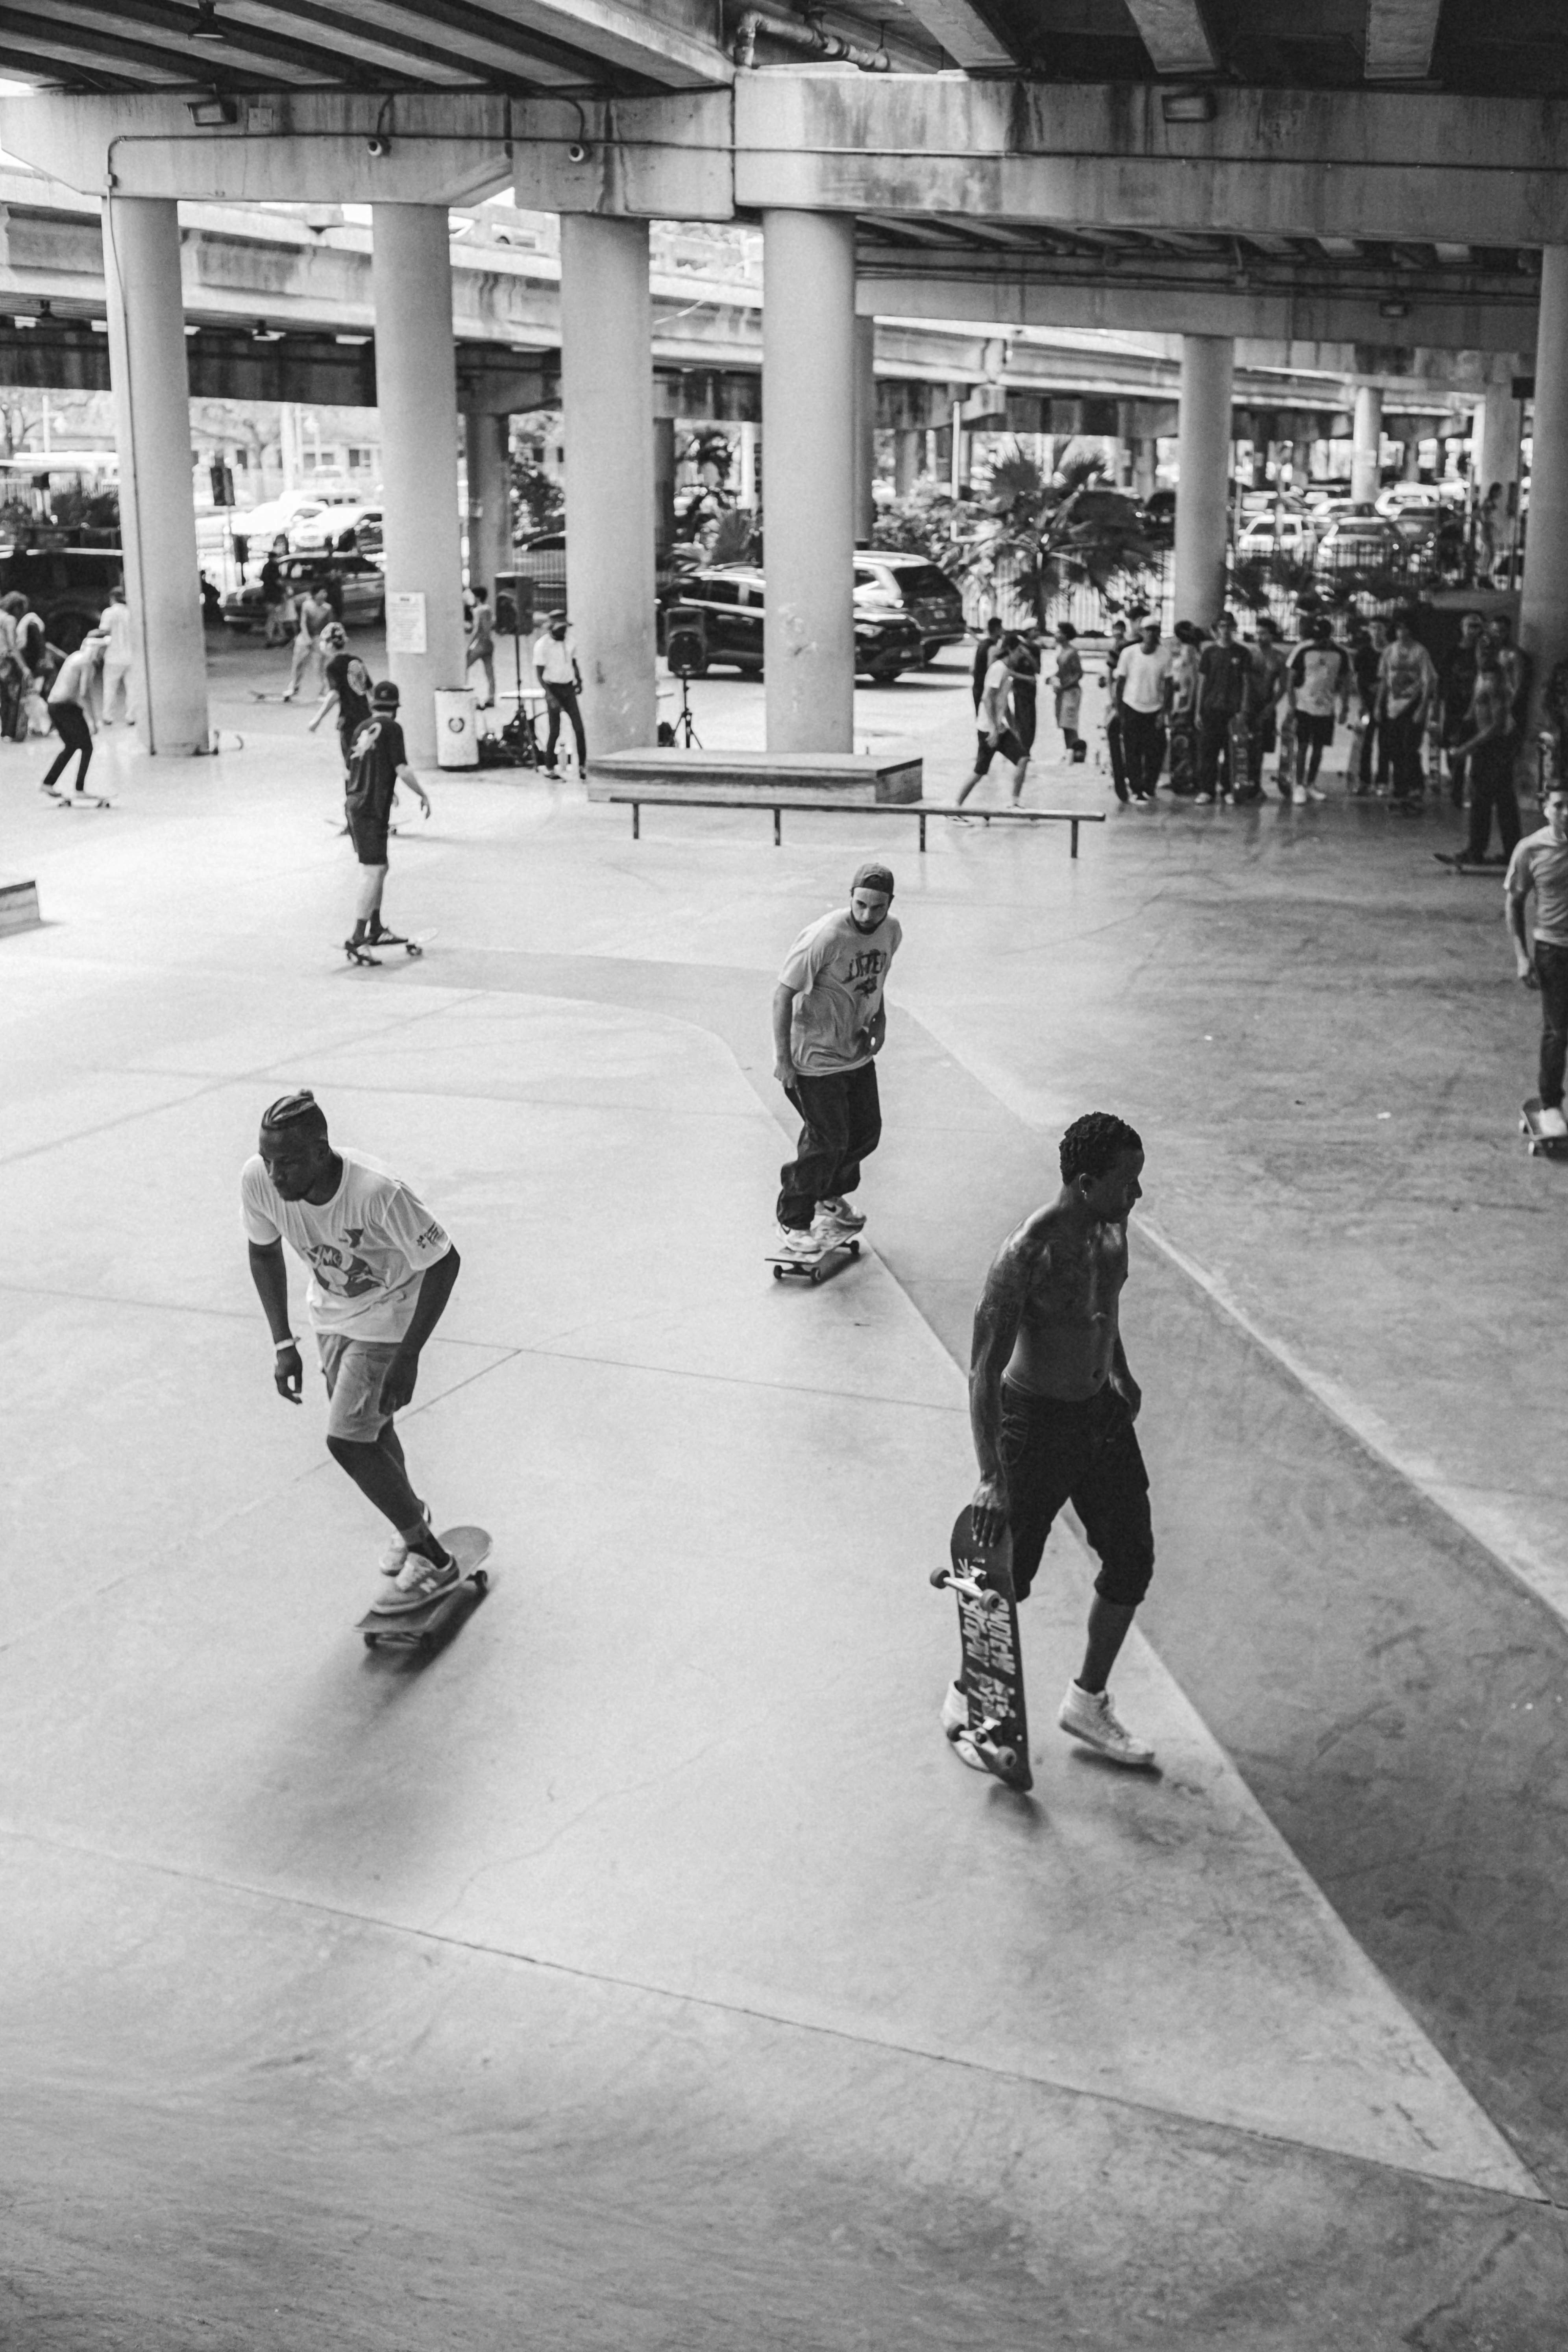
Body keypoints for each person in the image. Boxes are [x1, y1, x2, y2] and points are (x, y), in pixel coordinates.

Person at [949, 1111, 1156, 1771]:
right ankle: (970, 1701)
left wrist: (1118, 1373)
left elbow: (1103, 1308)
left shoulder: (1112, 1229)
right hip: (1033, 1427)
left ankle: (1086, 1704)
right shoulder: (1027, 1253)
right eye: (1127, 1182)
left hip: (1098, 1417)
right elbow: (983, 1369)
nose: (1137, 1194)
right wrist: (990, 1476)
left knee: (1131, 1560)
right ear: (1086, 1182)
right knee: (1006, 1582)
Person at [242, 1089, 467, 1610]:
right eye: (270, 1162)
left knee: (346, 1439)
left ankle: (431, 1556)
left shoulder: (378, 1192)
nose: (276, 1178)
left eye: (290, 1164)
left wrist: (409, 1355)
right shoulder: (259, 1178)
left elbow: (444, 1262)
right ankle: (412, 1516)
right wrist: (283, 1342)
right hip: (332, 1313)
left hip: (393, 1313)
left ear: (322, 1151)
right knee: (373, 1429)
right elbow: (263, 1253)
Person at [771, 863, 900, 1263]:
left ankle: (829, 1195)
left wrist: (878, 1018)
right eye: (860, 905)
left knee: (866, 1132)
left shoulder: (891, 931)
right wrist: (784, 1060)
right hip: (813, 1059)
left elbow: (876, 982)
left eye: (876, 908)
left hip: (855, 1051)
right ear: (850, 897)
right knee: (827, 1140)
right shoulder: (824, 938)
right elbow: (782, 996)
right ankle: (793, 1217)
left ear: (889, 905)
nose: (867, 916)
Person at [342, 680, 432, 958]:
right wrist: (423, 794)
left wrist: (383, 788)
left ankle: (376, 928)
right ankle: (358, 938)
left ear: (374, 705)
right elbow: (402, 769)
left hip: (359, 804)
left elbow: (353, 768)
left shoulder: (360, 728)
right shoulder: (393, 729)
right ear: (396, 707)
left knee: (381, 867)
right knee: (372, 871)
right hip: (370, 808)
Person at [1505, 784, 1568, 1139]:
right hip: (1554, 952)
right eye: (1560, 806)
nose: (1567, 813)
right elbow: (1514, 904)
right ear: (1546, 808)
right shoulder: (1531, 849)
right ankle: (1550, 1105)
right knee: (1558, 1030)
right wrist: (1522, 957)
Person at [1439, 642, 1519, 868]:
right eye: (1480, 651)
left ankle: (1476, 852)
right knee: (1503, 800)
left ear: (1496, 655)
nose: (1483, 656)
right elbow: (1475, 707)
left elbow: (1497, 726)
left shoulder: (1496, 682)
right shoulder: (1482, 676)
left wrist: (1467, 748)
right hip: (1490, 744)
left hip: (1497, 745)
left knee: (1483, 799)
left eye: (1488, 652)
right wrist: (1462, 729)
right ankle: (1511, 851)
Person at [954, 631, 1028, 814]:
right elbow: (988, 699)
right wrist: (994, 730)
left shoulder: (1007, 671)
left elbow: (1003, 703)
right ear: (1011, 651)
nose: (1022, 655)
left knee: (1023, 759)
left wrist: (1013, 727)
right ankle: (955, 808)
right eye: (1020, 651)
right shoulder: (998, 669)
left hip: (999, 729)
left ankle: (1015, 802)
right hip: (988, 729)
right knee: (980, 771)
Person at [1377, 610, 1438, 810]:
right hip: (1393, 706)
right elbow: (1384, 681)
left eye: (1405, 628)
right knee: (1394, 747)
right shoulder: (1389, 651)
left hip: (1412, 705)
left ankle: (1416, 785)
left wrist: (1423, 708)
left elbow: (1429, 681)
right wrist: (1379, 706)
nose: (1402, 633)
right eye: (1399, 628)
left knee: (1410, 747)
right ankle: (1400, 786)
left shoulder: (1420, 652)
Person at [1286, 616, 1348, 802]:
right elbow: (1291, 679)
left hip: (1326, 708)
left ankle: (1311, 783)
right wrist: (1292, 706)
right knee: (1303, 746)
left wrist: (1344, 707)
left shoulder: (1340, 654)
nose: (1319, 640)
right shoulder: (1304, 650)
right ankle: (1298, 785)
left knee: (1319, 748)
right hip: (1304, 706)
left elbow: (1345, 681)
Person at [1111, 617, 1170, 803]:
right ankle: (1136, 789)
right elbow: (1120, 683)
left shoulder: (1164, 655)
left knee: (1155, 750)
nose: (1151, 634)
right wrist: (1119, 709)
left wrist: (1164, 713)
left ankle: (1149, 786)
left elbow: (1168, 685)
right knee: (1132, 751)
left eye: (1155, 630)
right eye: (1148, 630)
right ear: (1142, 633)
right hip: (1132, 707)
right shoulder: (1129, 654)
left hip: (1155, 709)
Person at [41, 631, 106, 797]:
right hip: (66, 708)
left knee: (71, 746)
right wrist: (94, 720)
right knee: (87, 747)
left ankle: (48, 783)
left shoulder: (75, 657)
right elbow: (85, 693)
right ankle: (79, 789)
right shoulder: (88, 663)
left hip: (54, 705)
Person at [1193, 610, 1249, 803]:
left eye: (1229, 626)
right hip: (1211, 709)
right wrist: (1198, 711)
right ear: (1216, 630)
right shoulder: (1209, 653)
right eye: (1222, 627)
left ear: (1234, 629)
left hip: (1232, 711)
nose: (1226, 631)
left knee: (1230, 752)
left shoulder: (1242, 653)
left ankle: (1227, 789)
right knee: (1209, 752)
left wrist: (1242, 709)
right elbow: (1202, 683)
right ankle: (1206, 790)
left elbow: (1245, 683)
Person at [1439, 612, 1485, 810]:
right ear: (1462, 627)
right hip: (1455, 706)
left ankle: (1470, 789)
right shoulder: (1453, 653)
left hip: (1477, 707)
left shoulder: (1484, 651)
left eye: (1477, 626)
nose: (1473, 630)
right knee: (1455, 747)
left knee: (1474, 748)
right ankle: (1456, 790)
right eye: (1470, 626)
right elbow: (1443, 680)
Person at [1241, 615, 1288, 801]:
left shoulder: (1278, 658)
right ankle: (1242, 782)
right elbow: (1243, 681)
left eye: (1264, 634)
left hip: (1266, 705)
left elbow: (1283, 686)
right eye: (1258, 633)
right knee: (1245, 746)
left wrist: (1272, 706)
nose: (1259, 637)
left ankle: (1256, 784)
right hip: (1248, 705)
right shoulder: (1249, 655)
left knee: (1260, 748)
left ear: (1272, 635)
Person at [316, 623, 372, 776]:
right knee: (367, 758)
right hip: (366, 717)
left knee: (351, 762)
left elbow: (334, 695)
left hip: (349, 720)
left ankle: (354, 795)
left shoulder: (333, 666)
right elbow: (369, 689)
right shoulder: (356, 661)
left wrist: (317, 719)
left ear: (329, 644)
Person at [536, 611, 585, 778]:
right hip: (553, 688)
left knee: (579, 728)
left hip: (568, 687)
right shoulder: (543, 645)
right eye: (560, 629)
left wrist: (579, 679)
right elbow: (540, 674)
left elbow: (573, 662)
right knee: (555, 730)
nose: (564, 632)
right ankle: (550, 766)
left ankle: (583, 766)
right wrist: (549, 696)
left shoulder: (570, 642)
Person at [1351, 617, 1389, 797]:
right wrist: (1362, 702)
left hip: (1388, 704)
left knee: (1385, 743)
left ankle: (1383, 781)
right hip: (1368, 703)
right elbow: (1357, 679)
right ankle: (1364, 780)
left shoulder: (1391, 651)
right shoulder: (1364, 652)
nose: (1376, 632)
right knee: (1366, 742)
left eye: (1379, 628)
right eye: (1373, 628)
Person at [1165, 621, 1202, 797]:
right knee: (1183, 742)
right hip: (1181, 701)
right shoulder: (1193, 650)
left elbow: (1191, 680)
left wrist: (1186, 705)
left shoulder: (1188, 651)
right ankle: (1182, 778)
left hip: (1183, 703)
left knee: (1182, 743)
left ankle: (1183, 779)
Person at [283, 584, 330, 702]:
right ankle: (294, 687)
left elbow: (328, 626)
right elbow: (303, 623)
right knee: (298, 663)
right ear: (315, 594)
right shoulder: (307, 605)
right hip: (304, 637)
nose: (325, 595)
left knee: (320, 666)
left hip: (319, 638)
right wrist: (307, 638)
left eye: (325, 592)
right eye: (322, 592)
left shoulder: (328, 608)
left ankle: (324, 690)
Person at [1005, 636, 1038, 799]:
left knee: (1030, 724)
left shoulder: (1030, 653)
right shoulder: (1005, 665)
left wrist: (1028, 655)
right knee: (1021, 722)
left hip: (1029, 695)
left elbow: (1037, 669)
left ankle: (1025, 751)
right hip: (1020, 694)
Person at [1101, 619, 1130, 801]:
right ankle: (1119, 774)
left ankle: (1121, 775)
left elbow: (1114, 677)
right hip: (1116, 699)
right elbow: (1110, 676)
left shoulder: (1122, 648)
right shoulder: (1119, 648)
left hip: (1121, 701)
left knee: (1117, 736)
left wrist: (1114, 700)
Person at [99, 582, 134, 728]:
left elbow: (105, 632)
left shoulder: (109, 612)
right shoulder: (130, 612)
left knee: (110, 688)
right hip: (131, 656)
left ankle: (108, 717)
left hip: (113, 657)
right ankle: (132, 717)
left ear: (112, 598)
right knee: (132, 689)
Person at [1051, 622, 1086, 762]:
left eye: (1059, 632)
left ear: (1065, 636)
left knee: (1070, 723)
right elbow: (1063, 671)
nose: (1056, 635)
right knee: (1064, 723)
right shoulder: (1062, 651)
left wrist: (1064, 686)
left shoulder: (1072, 653)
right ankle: (1069, 751)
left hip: (1071, 692)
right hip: (1063, 691)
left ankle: (1075, 751)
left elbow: (1078, 674)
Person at [467, 584, 497, 709]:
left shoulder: (478, 611)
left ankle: (465, 693)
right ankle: (491, 697)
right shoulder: (488, 609)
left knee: (465, 665)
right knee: (489, 672)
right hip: (489, 642)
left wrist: (469, 646)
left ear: (477, 597)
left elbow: (477, 630)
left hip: (481, 643)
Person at [970, 617, 1002, 715]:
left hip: (977, 687)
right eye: (1001, 628)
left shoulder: (981, 645)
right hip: (986, 689)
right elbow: (992, 669)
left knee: (980, 720)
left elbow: (972, 669)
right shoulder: (993, 648)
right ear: (997, 629)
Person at [259, 553, 287, 647]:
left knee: (275, 617)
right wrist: (284, 590)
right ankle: (271, 639)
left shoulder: (266, 567)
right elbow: (278, 581)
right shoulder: (273, 567)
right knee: (273, 617)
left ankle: (282, 637)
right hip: (274, 597)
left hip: (268, 596)